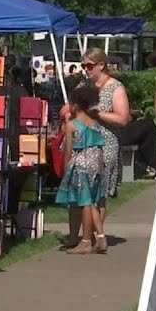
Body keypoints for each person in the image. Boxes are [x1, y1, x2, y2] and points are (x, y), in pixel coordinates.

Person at [62, 48, 129, 253]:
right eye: (83, 66)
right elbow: (71, 106)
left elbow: (123, 118)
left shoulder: (115, 88)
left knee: (97, 194)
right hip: (82, 144)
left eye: (89, 66)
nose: (86, 70)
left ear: (101, 65)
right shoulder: (84, 85)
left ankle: (92, 237)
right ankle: (79, 236)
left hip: (104, 144)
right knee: (77, 190)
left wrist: (97, 113)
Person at [57, 86, 107, 255]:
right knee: (93, 200)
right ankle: (99, 236)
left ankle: (85, 240)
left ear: (75, 106)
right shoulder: (96, 123)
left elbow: (68, 150)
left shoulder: (72, 125)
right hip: (97, 163)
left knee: (85, 202)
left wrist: (66, 170)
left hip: (81, 164)